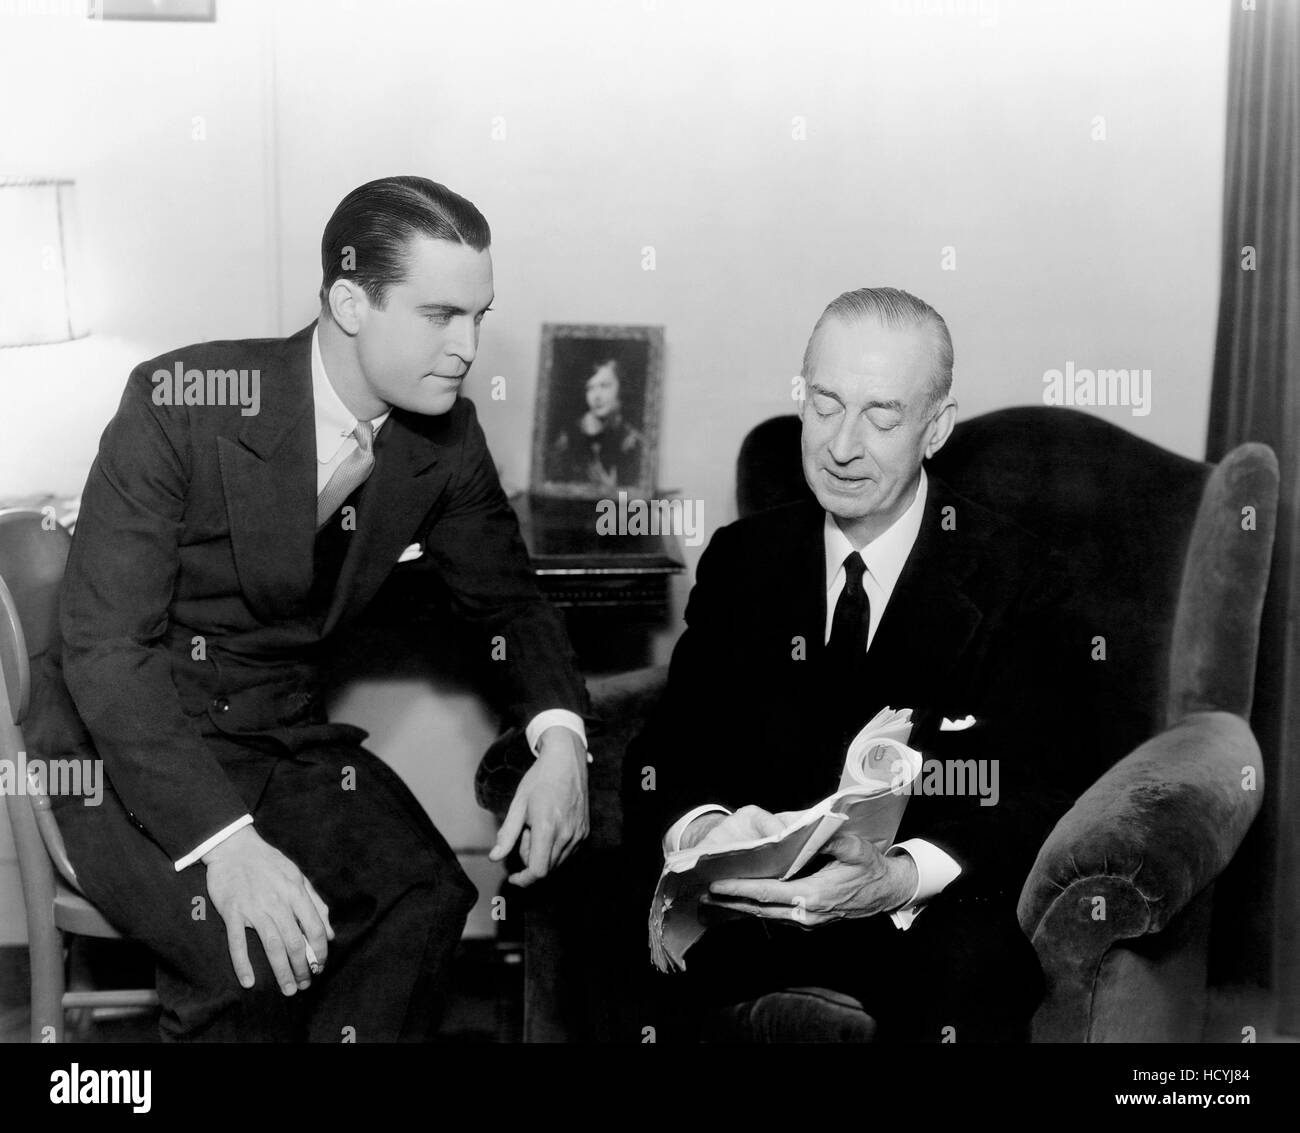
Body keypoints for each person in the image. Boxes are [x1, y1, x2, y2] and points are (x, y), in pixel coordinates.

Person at [31, 176, 592, 1042]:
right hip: (124, 747)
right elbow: (108, 654)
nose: (468, 344)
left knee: (426, 892)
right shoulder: (180, 401)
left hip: (276, 733)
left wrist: (560, 741)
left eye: (478, 316)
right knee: (242, 954)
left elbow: (509, 600)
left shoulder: (446, 441)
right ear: (348, 301)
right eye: (440, 314)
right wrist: (225, 845)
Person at [623, 287, 1088, 1043]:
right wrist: (710, 832)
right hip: (741, 908)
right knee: (597, 911)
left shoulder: (1023, 577)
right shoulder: (744, 559)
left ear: (936, 427)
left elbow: (1043, 784)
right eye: (825, 403)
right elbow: (668, 750)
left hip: (912, 919)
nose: (841, 446)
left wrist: (895, 876)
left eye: (881, 415)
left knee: (977, 972)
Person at [549, 358, 643, 488]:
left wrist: (612, 490)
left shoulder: (632, 441)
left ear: (620, 388)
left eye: (604, 386)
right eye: (590, 388)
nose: (596, 396)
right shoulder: (568, 437)